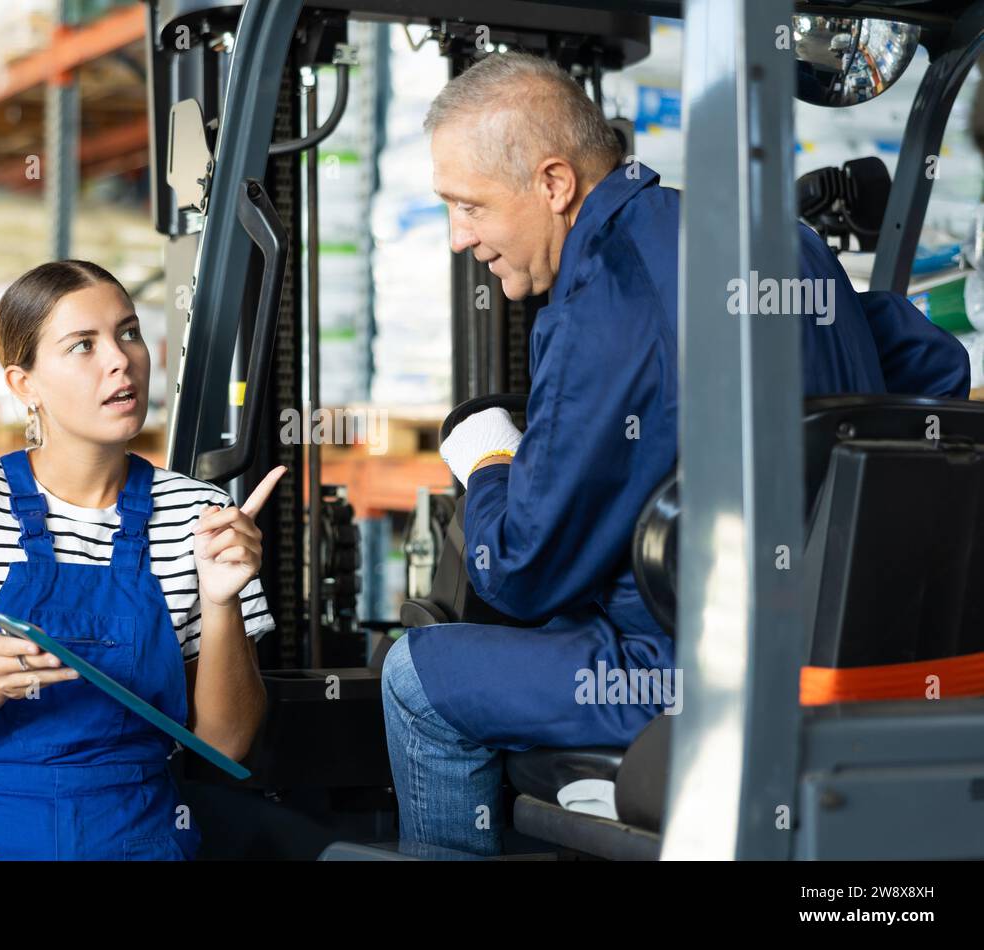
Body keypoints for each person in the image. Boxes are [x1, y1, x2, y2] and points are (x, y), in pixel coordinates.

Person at [381, 52, 970, 857]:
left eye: (468, 206)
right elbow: (936, 367)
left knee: (415, 677)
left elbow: (519, 573)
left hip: (681, 671)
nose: (458, 237)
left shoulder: (601, 310)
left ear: (554, 184)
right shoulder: (783, 242)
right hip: (834, 649)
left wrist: (488, 460)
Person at [0, 259, 284, 860]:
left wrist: (222, 602)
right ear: (23, 385)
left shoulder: (199, 516)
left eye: (129, 332)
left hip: (135, 840)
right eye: (82, 346)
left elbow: (226, 742)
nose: (120, 360)